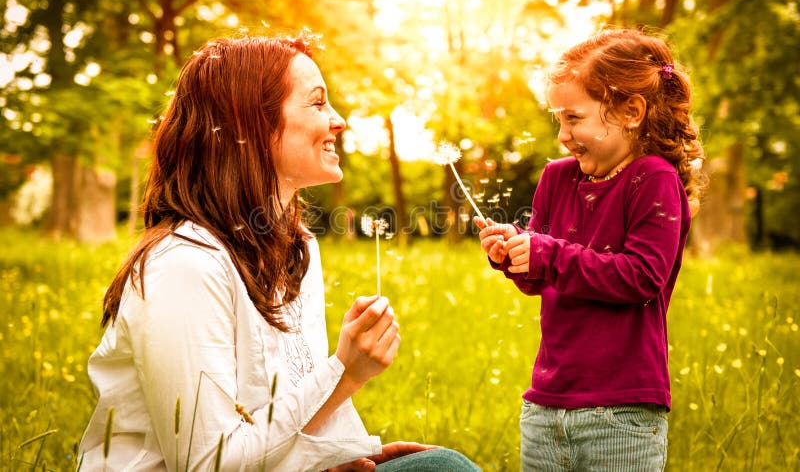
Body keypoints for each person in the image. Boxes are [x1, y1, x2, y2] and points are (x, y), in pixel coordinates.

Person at [79, 34, 481, 472]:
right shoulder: (184, 265)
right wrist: (344, 373)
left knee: (439, 466)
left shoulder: (296, 248)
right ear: (252, 124)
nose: (339, 121)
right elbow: (207, 465)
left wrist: (339, 456)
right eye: (317, 103)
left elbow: (274, 414)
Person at [475, 28, 704, 471]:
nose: (562, 134)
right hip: (545, 405)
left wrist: (546, 253)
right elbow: (540, 278)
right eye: (557, 119)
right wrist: (513, 254)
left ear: (631, 111)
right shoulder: (557, 179)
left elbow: (641, 277)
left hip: (620, 413)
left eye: (574, 118)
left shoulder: (653, 179)